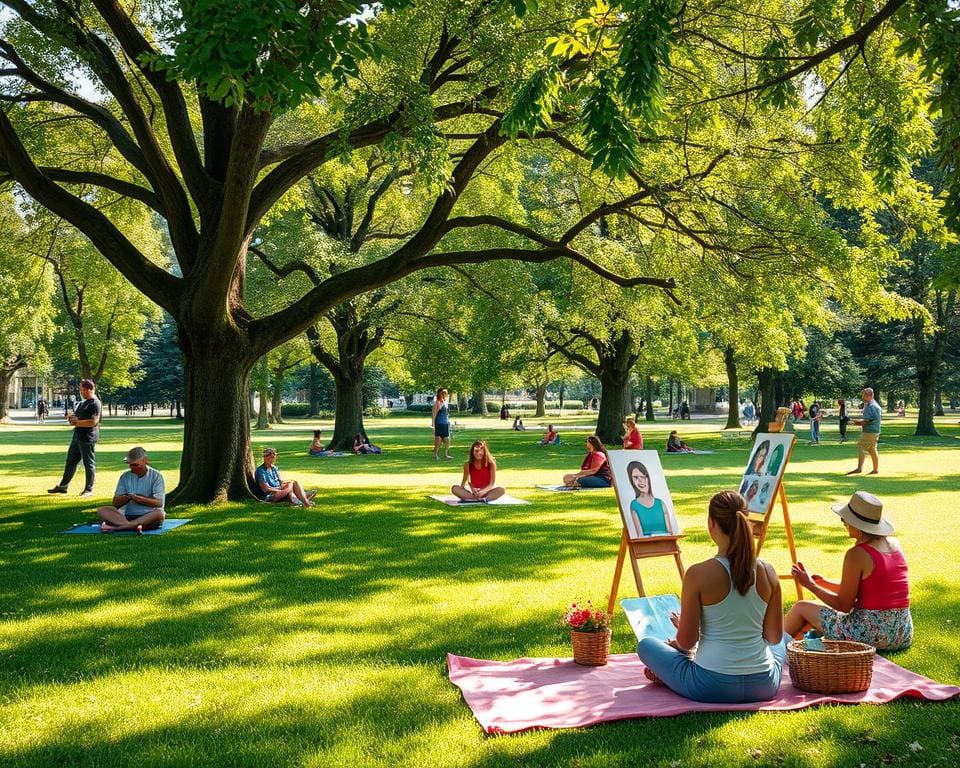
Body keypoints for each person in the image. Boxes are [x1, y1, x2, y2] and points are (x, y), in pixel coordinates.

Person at [636, 491, 785, 703]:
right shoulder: (768, 571)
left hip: (710, 686)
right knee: (782, 642)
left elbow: (686, 642)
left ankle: (669, 675)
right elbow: (774, 637)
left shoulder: (698, 574)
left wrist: (681, 631)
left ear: (711, 523)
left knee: (647, 645)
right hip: (763, 685)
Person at [784, 491, 912, 651]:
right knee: (815, 617)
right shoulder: (894, 544)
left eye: (845, 519)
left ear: (857, 526)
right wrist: (825, 583)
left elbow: (844, 605)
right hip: (902, 633)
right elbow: (869, 589)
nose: (844, 523)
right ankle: (796, 645)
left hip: (871, 635)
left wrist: (810, 585)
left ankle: (769, 647)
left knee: (801, 607)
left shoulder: (856, 554)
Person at [48, 379, 101, 497]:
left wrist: (77, 422)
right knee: (70, 461)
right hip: (77, 436)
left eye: (83, 390)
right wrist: (71, 417)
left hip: (88, 437)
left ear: (90, 389)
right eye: (80, 390)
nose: (81, 392)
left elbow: (93, 422)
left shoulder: (95, 403)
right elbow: (76, 418)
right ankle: (63, 486)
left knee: (89, 463)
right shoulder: (83, 403)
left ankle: (88, 489)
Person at [97, 446, 166, 532]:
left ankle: (117, 527)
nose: (132, 467)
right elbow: (115, 504)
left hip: (149, 515)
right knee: (102, 510)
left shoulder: (156, 476)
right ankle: (134, 525)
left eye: (135, 465)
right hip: (128, 516)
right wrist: (127, 497)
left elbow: (159, 503)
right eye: (129, 464)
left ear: (145, 461)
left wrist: (140, 499)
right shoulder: (125, 476)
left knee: (159, 514)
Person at [626, 460, 669, 536]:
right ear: (631, 481)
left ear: (648, 478)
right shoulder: (634, 504)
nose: (641, 481)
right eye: (636, 477)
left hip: (666, 542)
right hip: (646, 544)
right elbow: (640, 535)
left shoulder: (660, 503)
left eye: (643, 476)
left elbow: (670, 533)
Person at [847, 387, 881, 475]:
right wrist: (855, 421)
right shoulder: (871, 404)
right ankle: (875, 469)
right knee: (872, 449)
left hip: (870, 431)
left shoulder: (872, 406)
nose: (862, 396)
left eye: (863, 395)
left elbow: (867, 421)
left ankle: (859, 468)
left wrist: (854, 423)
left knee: (861, 447)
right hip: (874, 431)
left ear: (868, 395)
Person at [432, 387, 452, 461]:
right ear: (440, 394)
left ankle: (446, 455)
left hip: (445, 424)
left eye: (446, 393)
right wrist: (433, 426)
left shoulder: (444, 402)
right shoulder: (437, 402)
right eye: (444, 393)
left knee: (447, 439)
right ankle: (435, 454)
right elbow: (434, 415)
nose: (445, 395)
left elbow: (446, 414)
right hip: (439, 424)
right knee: (438, 440)